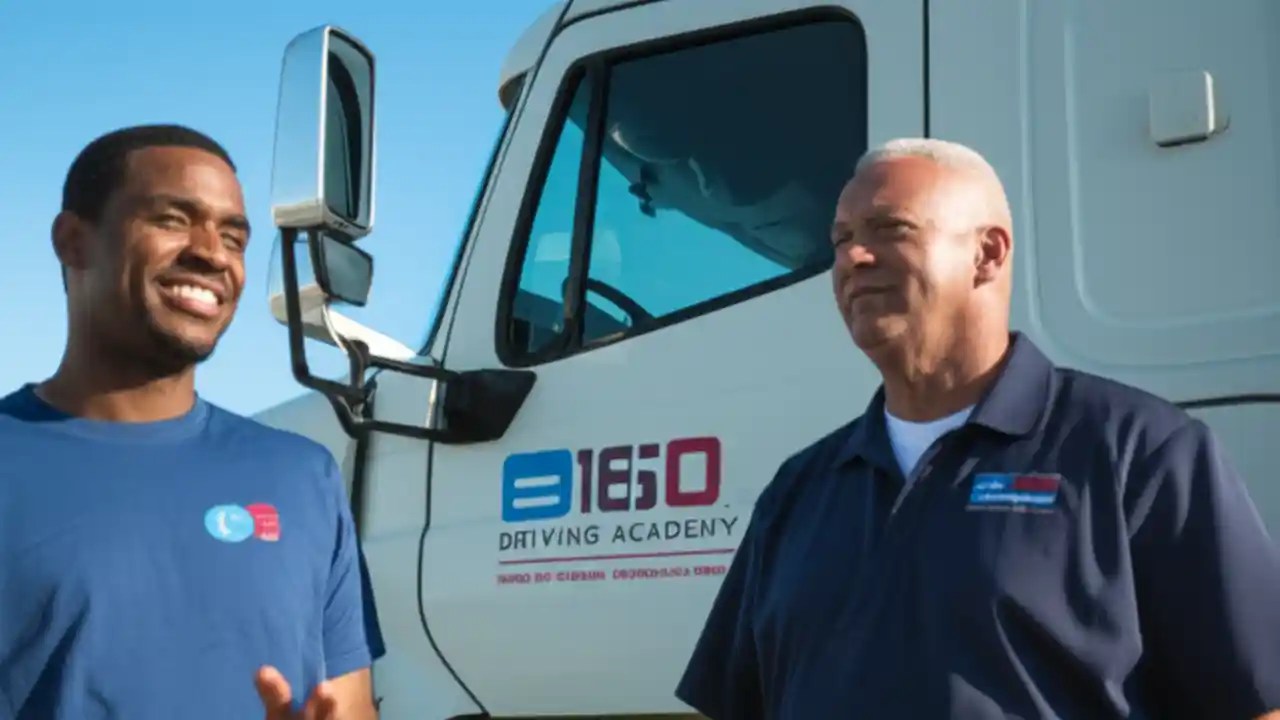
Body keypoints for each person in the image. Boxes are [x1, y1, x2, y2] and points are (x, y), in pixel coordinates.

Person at [675, 137, 1280, 719]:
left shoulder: (1139, 452)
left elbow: (1255, 704)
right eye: (841, 240)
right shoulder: (800, 489)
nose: (852, 259)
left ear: (987, 253)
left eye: (890, 230)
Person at [0, 124, 384, 719]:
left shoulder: (303, 477)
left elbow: (352, 705)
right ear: (73, 241)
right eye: (173, 220)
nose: (212, 253)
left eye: (234, 237)